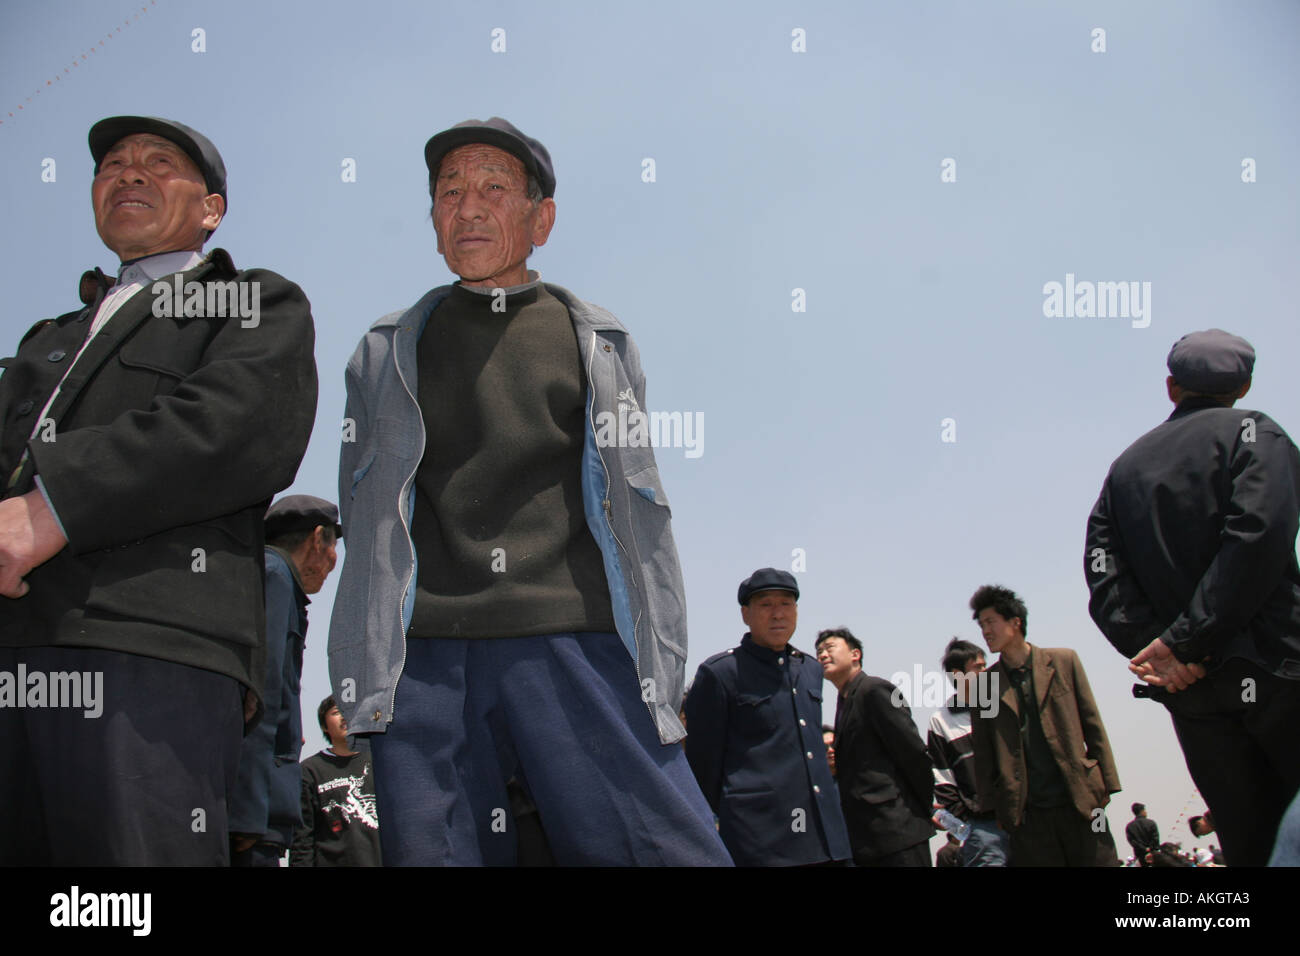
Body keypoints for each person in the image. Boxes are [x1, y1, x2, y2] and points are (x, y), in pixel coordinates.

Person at [328, 117, 729, 866]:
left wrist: (660, 657)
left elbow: (641, 509)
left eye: (492, 188)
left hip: (577, 638)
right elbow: (364, 508)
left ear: (540, 218)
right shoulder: (385, 350)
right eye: (449, 192)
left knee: (664, 848)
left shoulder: (596, 338)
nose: (468, 207)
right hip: (421, 657)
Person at [0, 116, 317, 865]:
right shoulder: (47, 337)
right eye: (113, 164)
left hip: (146, 648)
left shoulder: (251, 300)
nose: (130, 173)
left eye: (159, 163)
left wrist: (52, 509)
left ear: (211, 209)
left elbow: (235, 426)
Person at [1085, 329, 1300, 867]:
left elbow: (1103, 573)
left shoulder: (1126, 467)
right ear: (1244, 386)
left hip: (1195, 697)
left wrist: (1163, 653)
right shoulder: (1255, 434)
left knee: (1248, 845)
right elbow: (1258, 536)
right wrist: (1185, 643)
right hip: (1277, 671)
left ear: (1171, 387)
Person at [684, 569, 850, 866]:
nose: (778, 614)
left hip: (827, 840)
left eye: (786, 604)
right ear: (745, 614)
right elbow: (703, 766)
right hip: (763, 844)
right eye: (766, 605)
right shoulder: (721, 673)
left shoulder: (810, 669)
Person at [968, 585, 1122, 866]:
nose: (985, 632)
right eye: (981, 626)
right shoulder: (984, 686)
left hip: (1082, 803)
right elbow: (984, 752)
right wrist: (996, 809)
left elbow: (1093, 726)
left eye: (990, 622)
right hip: (1027, 814)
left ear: (1015, 622)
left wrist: (1105, 786)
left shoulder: (1064, 661)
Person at [231, 495, 341, 866]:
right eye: (334, 546)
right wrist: (247, 812)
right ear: (317, 540)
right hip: (255, 810)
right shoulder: (274, 576)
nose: (332, 563)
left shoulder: (275, 578)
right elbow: (259, 695)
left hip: (262, 806)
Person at [816, 626, 933, 867]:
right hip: (868, 840)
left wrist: (919, 808)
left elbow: (914, 753)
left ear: (855, 654)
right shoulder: (842, 702)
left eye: (829, 648)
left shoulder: (876, 689)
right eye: (819, 652)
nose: (823, 655)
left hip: (899, 831)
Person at [926, 637, 1010, 866]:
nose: (986, 672)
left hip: (1022, 820)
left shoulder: (1002, 705)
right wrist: (970, 822)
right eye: (978, 667)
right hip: (983, 830)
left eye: (985, 666)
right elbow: (943, 781)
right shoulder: (941, 722)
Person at [290, 696, 382, 867]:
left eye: (349, 710)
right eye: (336, 712)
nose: (344, 717)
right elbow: (302, 837)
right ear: (324, 725)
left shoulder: (380, 762)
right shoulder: (309, 771)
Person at [1125, 803, 1161, 867]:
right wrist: (1150, 848)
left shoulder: (1130, 826)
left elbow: (1133, 842)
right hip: (1153, 855)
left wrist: (1143, 849)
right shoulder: (1151, 823)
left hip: (1140, 857)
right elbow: (1155, 839)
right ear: (1142, 811)